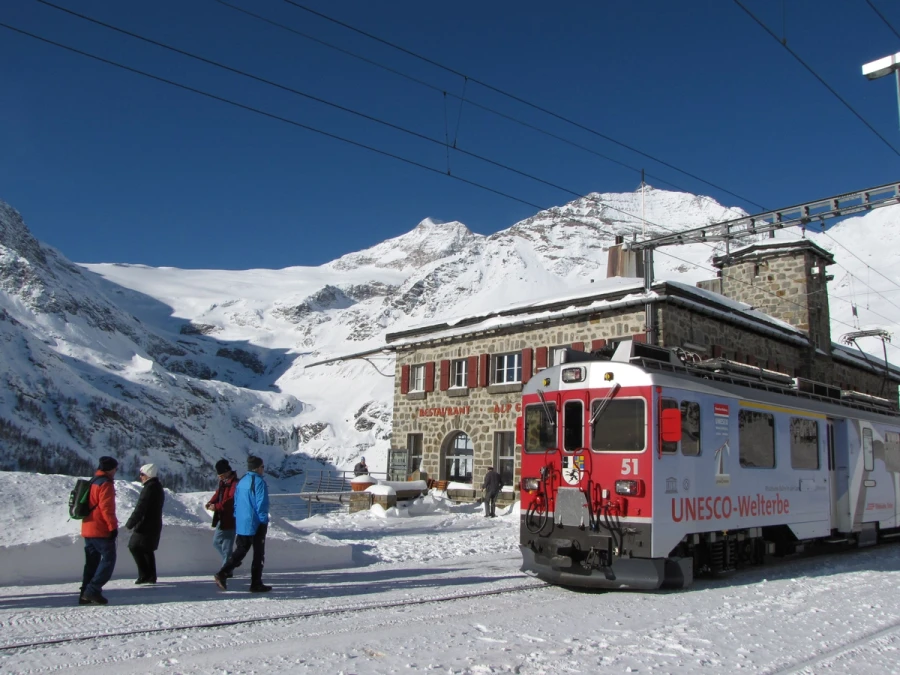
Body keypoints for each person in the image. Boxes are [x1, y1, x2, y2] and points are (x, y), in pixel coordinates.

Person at [214, 456, 271, 592]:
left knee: (241, 549)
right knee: (258, 553)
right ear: (257, 468)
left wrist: (237, 515)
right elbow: (261, 503)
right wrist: (263, 520)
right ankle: (256, 583)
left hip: (242, 521)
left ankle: (223, 572)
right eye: (262, 467)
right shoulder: (258, 482)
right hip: (255, 521)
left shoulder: (243, 480)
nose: (263, 469)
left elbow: (236, 500)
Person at [79, 456, 119, 605]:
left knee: (91, 562)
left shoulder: (93, 481)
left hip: (87, 527)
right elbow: (107, 508)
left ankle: (84, 593)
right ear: (110, 469)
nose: (116, 471)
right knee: (108, 560)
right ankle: (92, 590)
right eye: (115, 468)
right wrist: (112, 527)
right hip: (100, 529)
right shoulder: (105, 484)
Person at [125, 463, 165, 585]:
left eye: (142, 474)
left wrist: (130, 523)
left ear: (147, 475)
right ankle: (150, 576)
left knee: (134, 546)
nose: (140, 476)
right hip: (154, 524)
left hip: (145, 525)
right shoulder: (157, 486)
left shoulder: (149, 488)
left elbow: (141, 507)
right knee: (147, 549)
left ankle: (145, 575)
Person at [206, 459, 238, 568]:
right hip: (222, 517)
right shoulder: (223, 483)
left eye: (221, 475)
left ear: (227, 472)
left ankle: (227, 569)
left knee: (227, 547)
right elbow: (217, 494)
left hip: (231, 518)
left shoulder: (234, 484)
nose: (219, 477)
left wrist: (216, 506)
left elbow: (230, 501)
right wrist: (211, 502)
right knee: (216, 542)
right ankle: (231, 562)